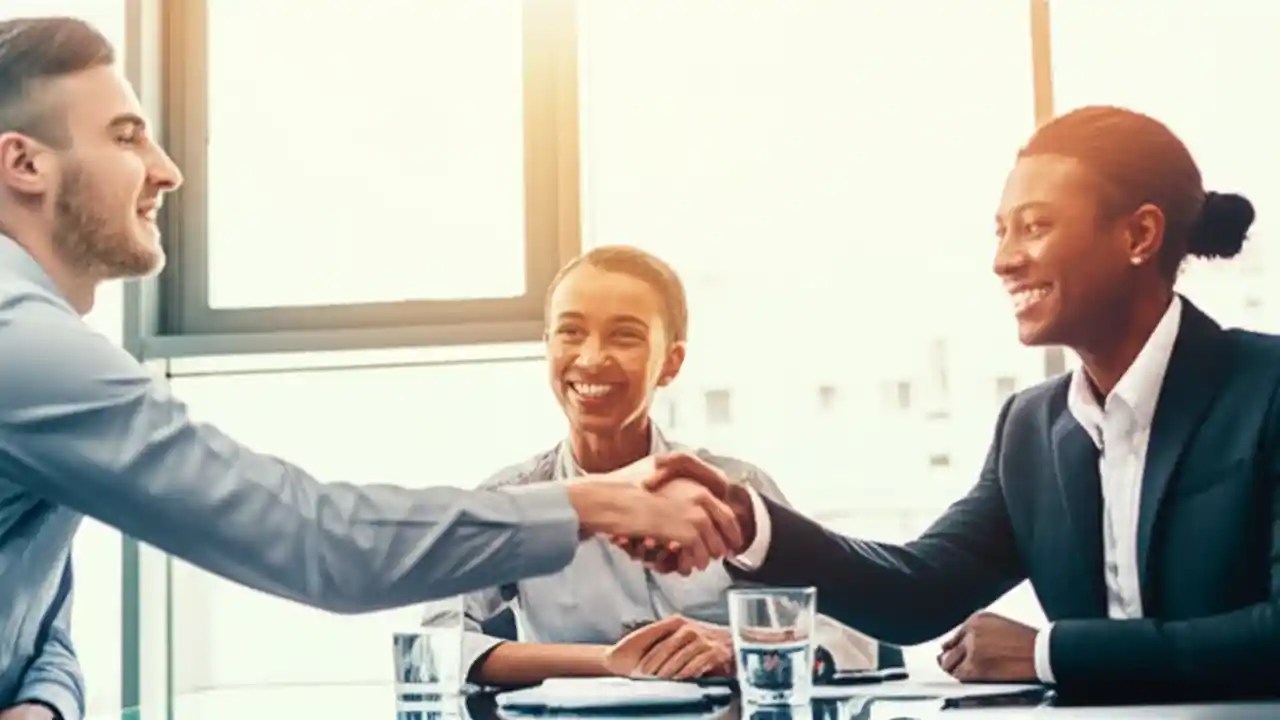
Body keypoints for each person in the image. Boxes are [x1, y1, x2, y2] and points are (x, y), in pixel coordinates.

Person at [0, 17, 739, 720]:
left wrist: (45, 703)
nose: (167, 169)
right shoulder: (23, 341)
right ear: (23, 163)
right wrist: (598, 503)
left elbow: (41, 622)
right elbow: (320, 542)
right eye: (127, 137)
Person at [638, 106, 1280, 702]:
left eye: (1035, 227)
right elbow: (917, 590)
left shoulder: (1265, 387)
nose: (1004, 260)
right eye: (1001, 232)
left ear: (1138, 235)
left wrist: (1048, 653)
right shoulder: (1033, 428)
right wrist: (749, 523)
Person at [458, 246, 878, 687]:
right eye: (571, 332)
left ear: (671, 363)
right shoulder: (511, 501)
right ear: (548, 347)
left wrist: (741, 647)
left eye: (624, 336)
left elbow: (854, 639)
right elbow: (439, 645)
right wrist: (611, 661)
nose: (591, 358)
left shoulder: (738, 491)